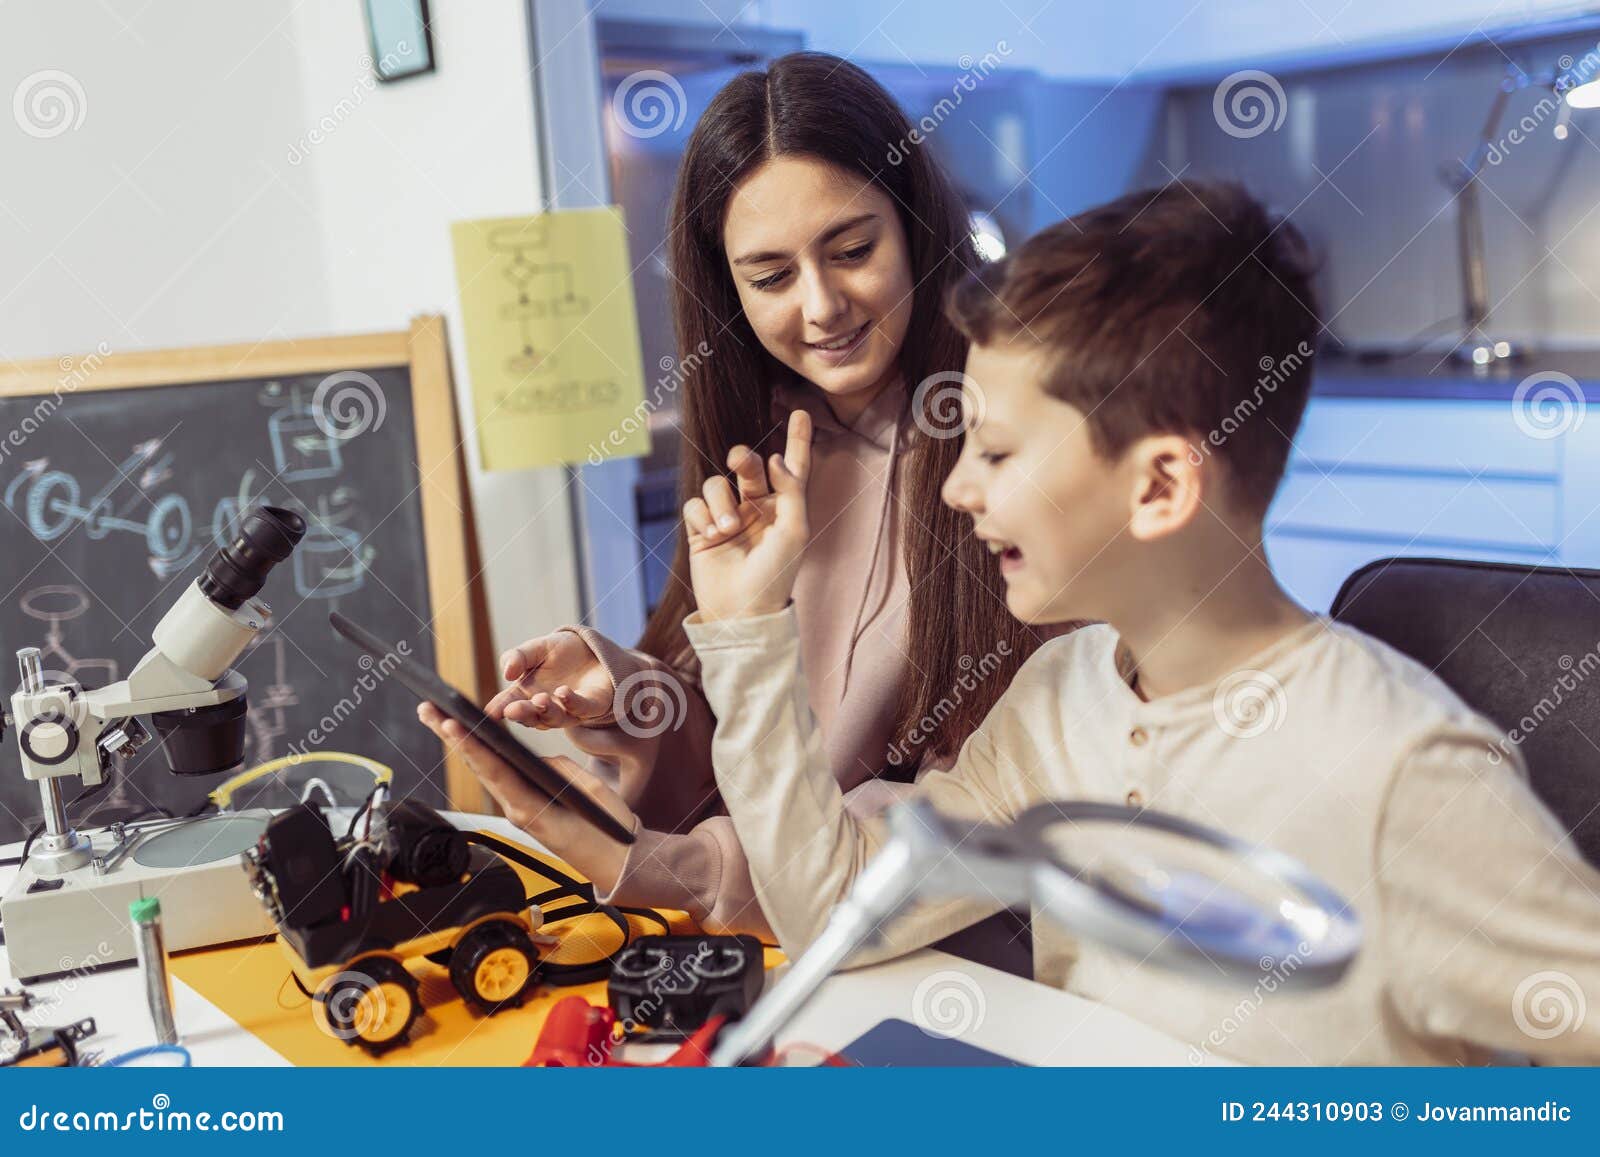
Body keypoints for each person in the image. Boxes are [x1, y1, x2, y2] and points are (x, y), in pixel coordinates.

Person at [655, 179, 1600, 1065]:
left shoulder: (1406, 779)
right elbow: (832, 909)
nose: (957, 487)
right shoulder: (1060, 697)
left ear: (1158, 484)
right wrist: (746, 631)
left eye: (994, 450)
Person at [421, 53, 1041, 957]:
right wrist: (626, 694)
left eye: (853, 250)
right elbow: (745, 744)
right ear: (728, 290)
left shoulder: (1003, 448)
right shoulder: (765, 440)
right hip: (799, 948)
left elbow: (953, 822)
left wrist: (653, 861)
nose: (822, 305)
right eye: (771, 275)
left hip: (956, 961)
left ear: (914, 228)